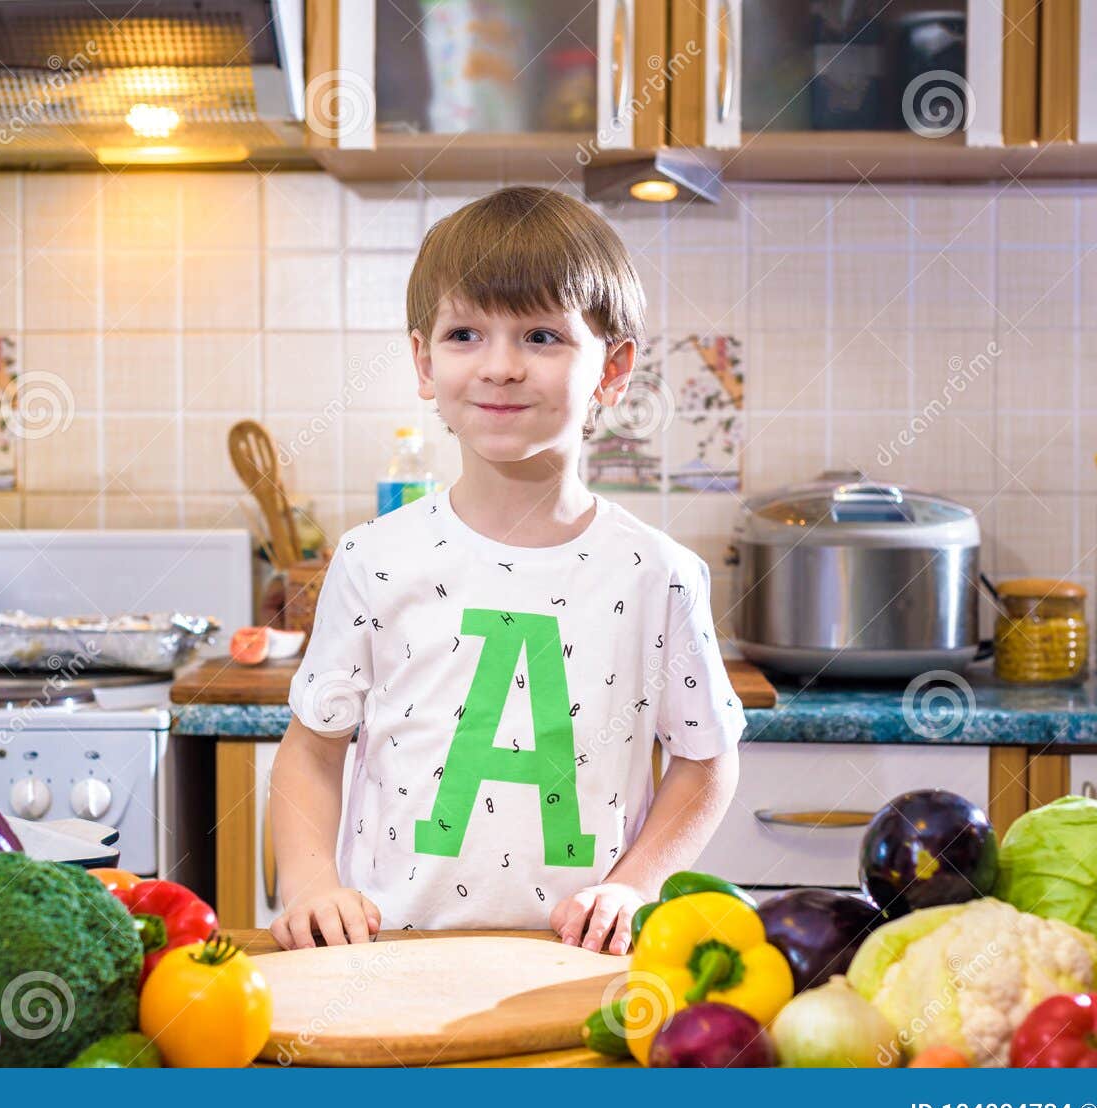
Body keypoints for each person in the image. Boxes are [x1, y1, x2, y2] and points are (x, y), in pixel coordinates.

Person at [271, 185, 745, 954]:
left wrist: (633, 885)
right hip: (387, 954)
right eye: (464, 334)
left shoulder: (658, 576)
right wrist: (310, 884)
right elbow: (312, 751)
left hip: (575, 964)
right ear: (424, 362)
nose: (499, 367)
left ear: (613, 371)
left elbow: (706, 762)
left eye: (540, 337)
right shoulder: (373, 561)